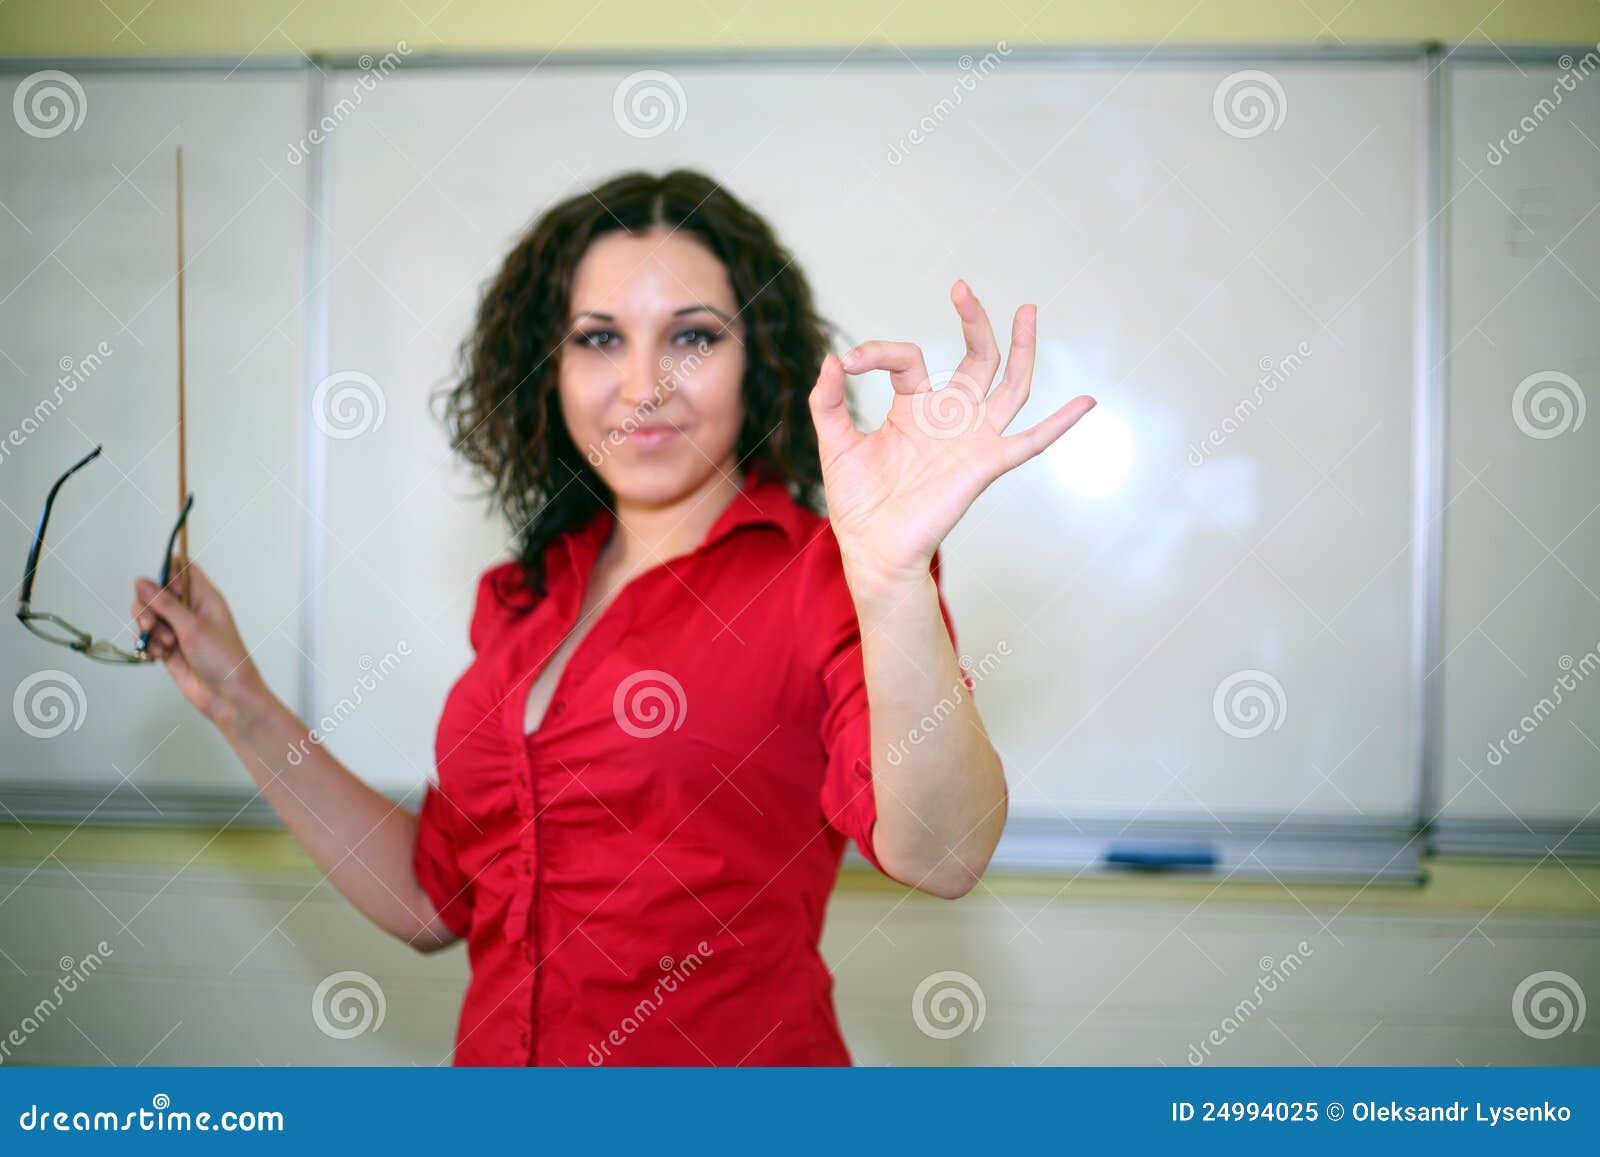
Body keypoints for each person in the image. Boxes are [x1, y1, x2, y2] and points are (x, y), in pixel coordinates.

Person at [131, 169, 1096, 1066]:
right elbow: (437, 895)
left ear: (758, 361)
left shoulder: (821, 579)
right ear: (545, 368)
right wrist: (238, 699)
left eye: (693, 335)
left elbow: (944, 849)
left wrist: (891, 580)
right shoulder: (526, 596)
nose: (643, 386)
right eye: (599, 337)